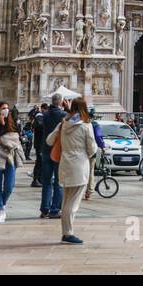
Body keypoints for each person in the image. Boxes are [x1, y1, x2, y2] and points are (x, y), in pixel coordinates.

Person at [45, 97, 98, 244]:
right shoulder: (86, 126)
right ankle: (68, 233)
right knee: (72, 203)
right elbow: (92, 148)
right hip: (79, 166)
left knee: (66, 200)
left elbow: (49, 141)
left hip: (65, 164)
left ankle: (66, 232)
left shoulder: (64, 123)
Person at [0, 101, 23, 223]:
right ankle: (0, 210)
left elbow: (17, 136)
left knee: (9, 185)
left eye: (7, 108)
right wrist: (2, 124)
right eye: (3, 108)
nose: (6, 110)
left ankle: (2, 204)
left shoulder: (13, 122)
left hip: (10, 156)